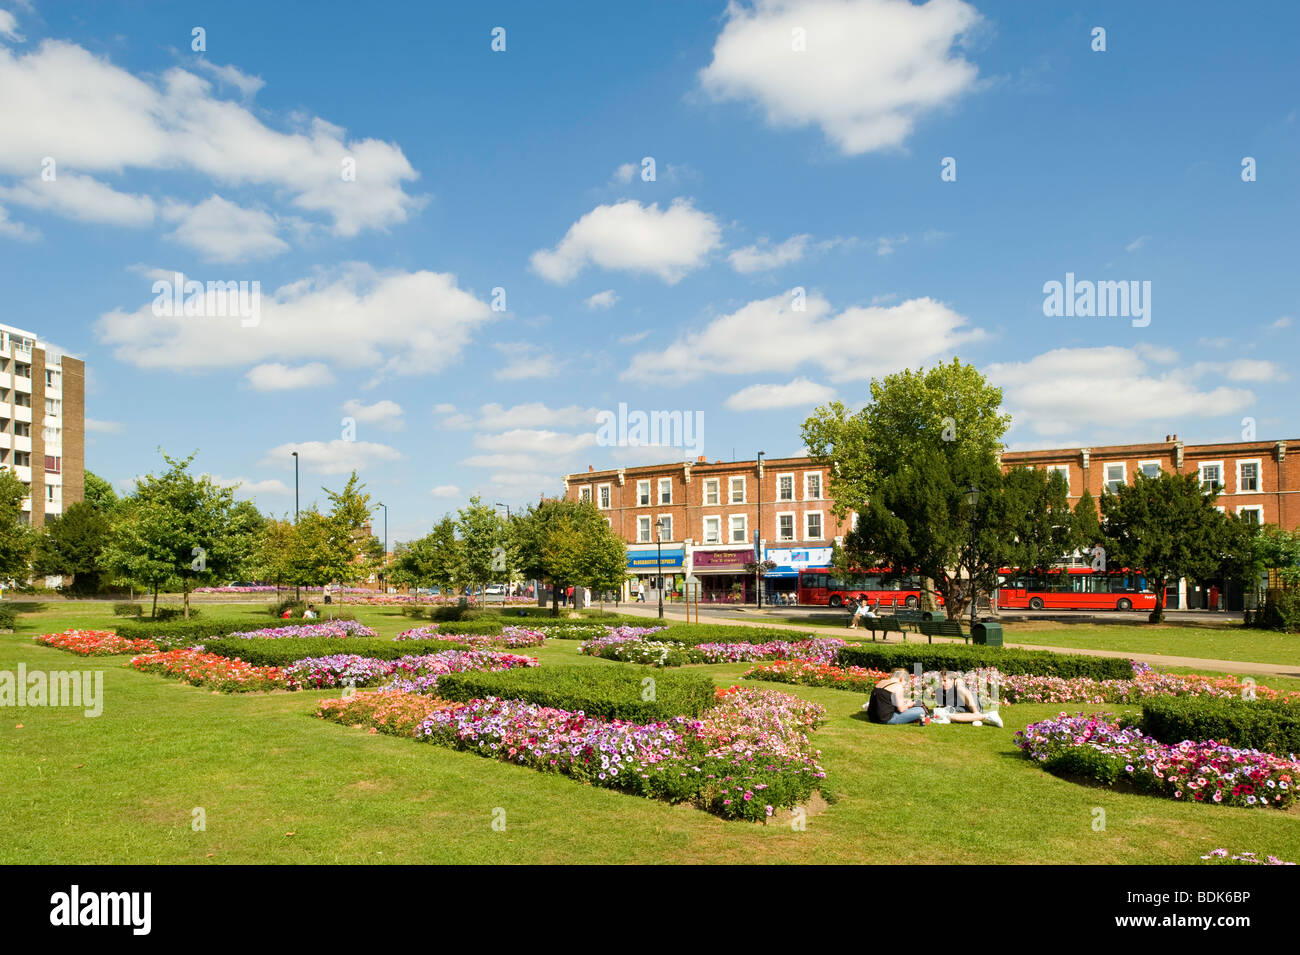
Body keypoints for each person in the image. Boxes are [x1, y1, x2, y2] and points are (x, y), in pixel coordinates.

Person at [927, 669, 1002, 726]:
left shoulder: (957, 681)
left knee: (960, 690)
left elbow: (961, 689)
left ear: (952, 680)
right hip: (962, 711)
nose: (943, 683)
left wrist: (975, 711)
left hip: (972, 704)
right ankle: (984, 716)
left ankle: (976, 713)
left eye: (945, 681)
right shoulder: (941, 692)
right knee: (950, 716)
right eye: (941, 681)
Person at [864, 669, 929, 725]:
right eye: (905, 682)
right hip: (886, 719)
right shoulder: (898, 686)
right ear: (901, 679)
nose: (905, 685)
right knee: (921, 710)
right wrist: (910, 704)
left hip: (872, 717)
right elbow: (901, 709)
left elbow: (887, 699)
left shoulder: (882, 682)